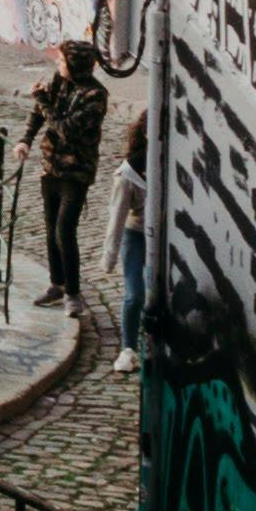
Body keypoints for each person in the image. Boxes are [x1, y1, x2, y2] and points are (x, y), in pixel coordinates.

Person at [23, 35, 106, 309]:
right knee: (50, 228)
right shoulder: (59, 82)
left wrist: (43, 102)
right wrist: (25, 139)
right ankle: (56, 284)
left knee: (65, 229)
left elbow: (65, 129)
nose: (57, 63)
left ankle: (73, 292)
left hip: (76, 171)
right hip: (51, 167)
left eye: (62, 59)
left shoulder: (95, 96)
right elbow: (39, 113)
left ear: (74, 64)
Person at [101, 115, 150, 376]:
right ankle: (128, 348)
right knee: (135, 294)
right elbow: (116, 218)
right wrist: (108, 259)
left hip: (166, 237)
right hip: (137, 235)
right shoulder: (128, 174)